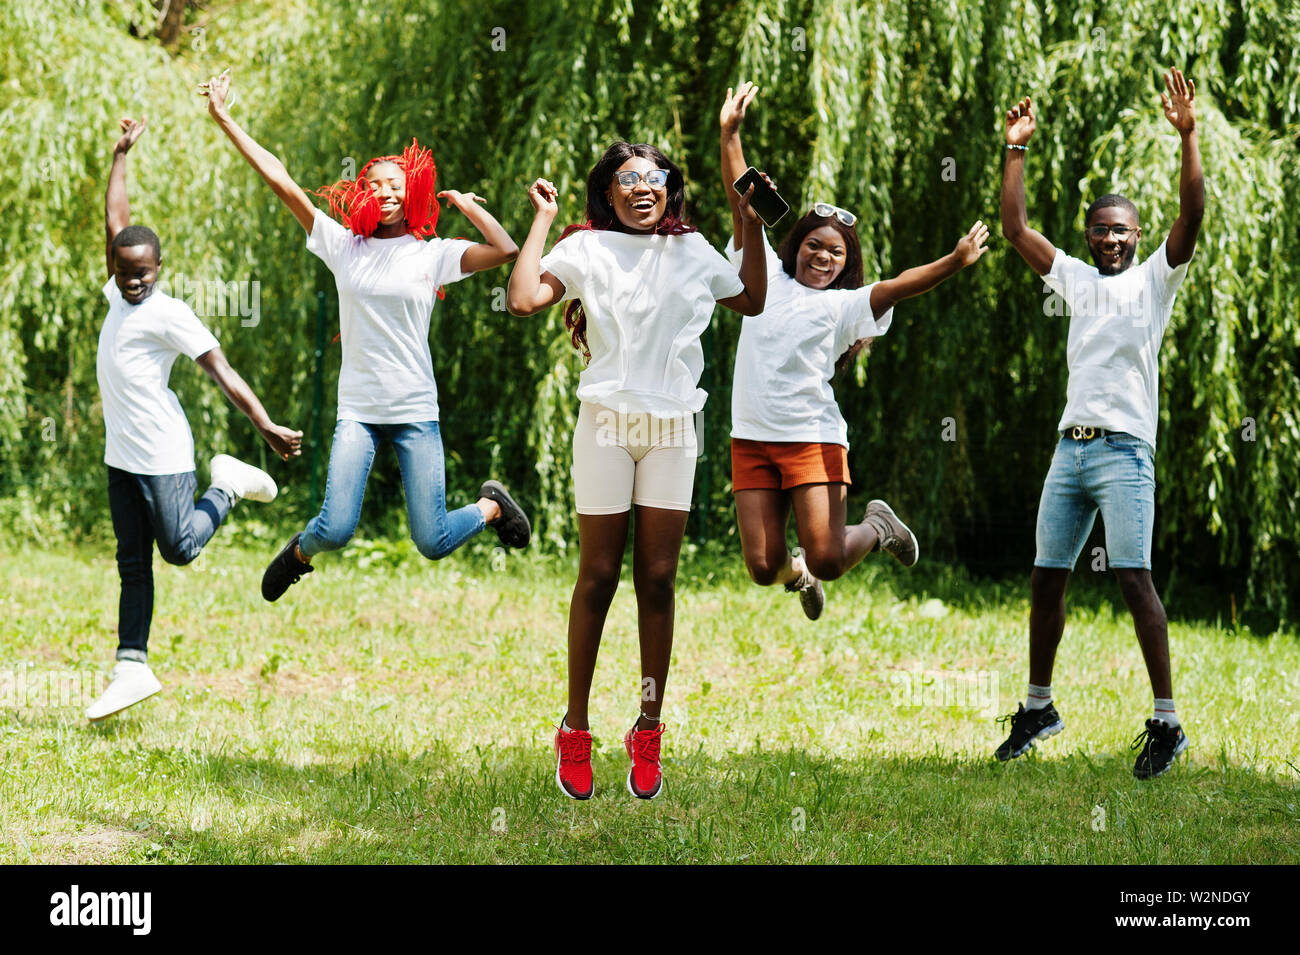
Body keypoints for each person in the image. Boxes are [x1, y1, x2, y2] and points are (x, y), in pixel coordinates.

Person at [199, 71, 531, 603]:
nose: (385, 194)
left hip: (415, 411)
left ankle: (491, 506)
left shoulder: (434, 254)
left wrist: (466, 206)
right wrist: (225, 119)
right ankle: (297, 554)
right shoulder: (341, 246)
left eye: (395, 186)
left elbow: (507, 249)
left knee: (433, 539)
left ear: (413, 192)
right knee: (333, 528)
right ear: (362, 195)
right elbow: (282, 180)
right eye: (374, 185)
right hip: (357, 410)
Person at [507, 141, 767, 799]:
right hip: (606, 426)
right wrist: (541, 220)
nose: (644, 187)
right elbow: (521, 299)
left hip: (673, 428)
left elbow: (753, 298)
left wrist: (753, 226)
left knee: (657, 579)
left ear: (670, 188)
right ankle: (575, 727)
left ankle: (648, 728)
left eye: (656, 177)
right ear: (609, 191)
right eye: (629, 179)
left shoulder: (693, 249)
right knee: (597, 576)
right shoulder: (587, 248)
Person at [995, 68, 1204, 779]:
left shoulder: (1155, 279)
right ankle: (1038, 706)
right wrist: (1015, 149)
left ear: (1139, 236)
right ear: (1088, 235)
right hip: (1071, 451)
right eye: (1100, 230)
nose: (1111, 239)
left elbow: (1194, 214)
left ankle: (1167, 720)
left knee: (1134, 576)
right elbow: (1015, 228)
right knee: (1046, 577)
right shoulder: (1077, 280)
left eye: (1122, 231)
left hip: (1124, 454)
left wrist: (1188, 138)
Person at [719, 83, 989, 619]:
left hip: (811, 438)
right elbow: (741, 202)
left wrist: (953, 262)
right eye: (814, 245)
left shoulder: (845, 308)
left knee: (830, 555)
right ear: (795, 246)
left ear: (846, 263)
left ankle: (877, 526)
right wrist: (730, 135)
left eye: (836, 252)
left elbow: (900, 285)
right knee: (763, 567)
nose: (823, 256)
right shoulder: (764, 274)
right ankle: (800, 576)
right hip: (751, 436)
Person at [89, 116, 302, 722]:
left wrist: (263, 424)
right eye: (125, 272)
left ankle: (227, 484)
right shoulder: (115, 287)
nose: (133, 282)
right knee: (132, 563)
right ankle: (132, 665)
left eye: (143, 273)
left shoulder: (170, 313)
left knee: (179, 549)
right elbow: (117, 222)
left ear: (160, 268)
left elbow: (221, 370)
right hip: (120, 456)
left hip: (162, 453)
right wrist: (120, 156)